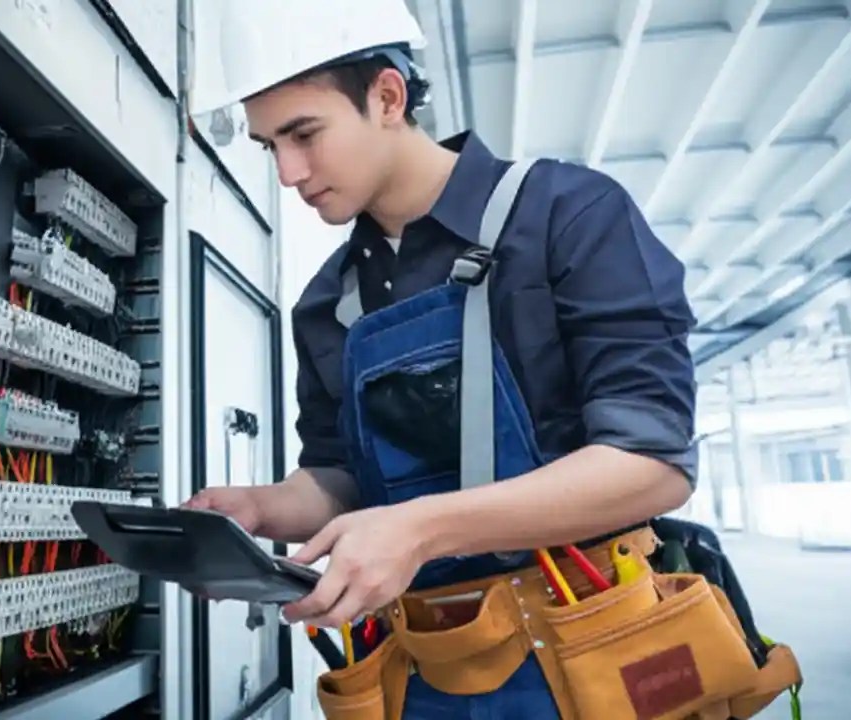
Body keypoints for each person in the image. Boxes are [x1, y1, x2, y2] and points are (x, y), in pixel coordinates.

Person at [184, 1, 703, 716]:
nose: (287, 173)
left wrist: (419, 528)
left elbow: (651, 465)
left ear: (388, 96)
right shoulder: (326, 302)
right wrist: (263, 510)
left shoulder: (568, 216)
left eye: (304, 134)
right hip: (425, 670)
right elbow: (343, 478)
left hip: (591, 649)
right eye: (269, 145)